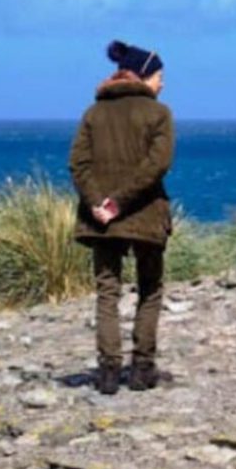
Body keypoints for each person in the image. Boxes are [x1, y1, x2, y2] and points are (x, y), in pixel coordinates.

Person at [69, 40, 173, 395]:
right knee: (150, 289)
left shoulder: (93, 114)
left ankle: (109, 372)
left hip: (101, 220)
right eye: (159, 76)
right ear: (144, 76)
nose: (162, 84)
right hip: (144, 214)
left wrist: (101, 202)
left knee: (107, 292)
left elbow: (78, 165)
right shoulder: (159, 114)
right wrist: (119, 201)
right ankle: (142, 368)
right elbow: (156, 166)